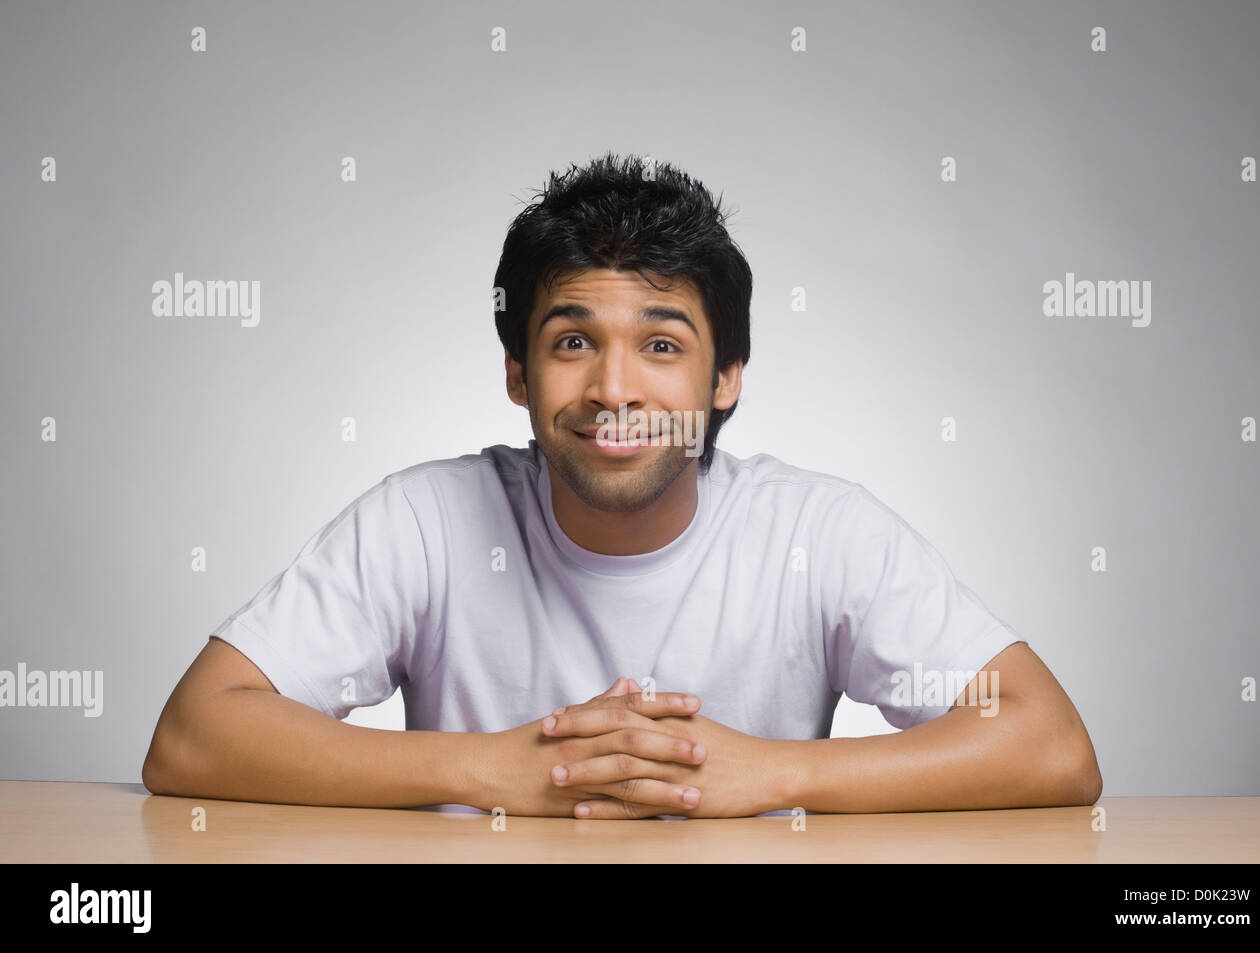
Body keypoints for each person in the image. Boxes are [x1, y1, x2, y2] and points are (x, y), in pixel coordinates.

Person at [142, 152, 1102, 819]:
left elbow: (1052, 746)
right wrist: (491, 769)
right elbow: (194, 736)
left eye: (660, 344)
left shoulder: (819, 529)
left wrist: (765, 774)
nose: (612, 389)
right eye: (571, 343)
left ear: (725, 376)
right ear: (518, 374)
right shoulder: (428, 519)